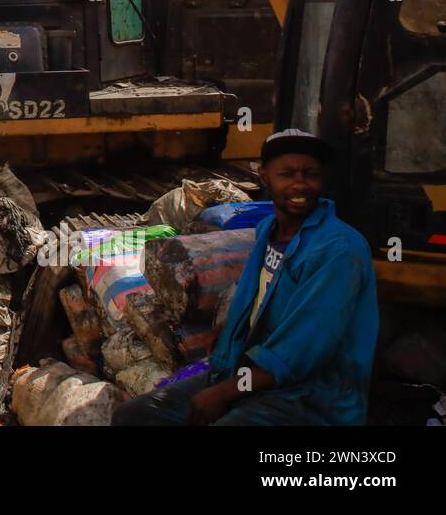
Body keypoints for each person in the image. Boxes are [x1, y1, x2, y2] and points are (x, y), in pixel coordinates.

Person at [112, 129, 378, 426]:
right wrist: (227, 334)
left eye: (310, 174)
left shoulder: (339, 250)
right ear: (264, 175)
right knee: (134, 415)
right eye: (287, 174)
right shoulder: (268, 230)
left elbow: (300, 354)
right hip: (252, 377)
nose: (299, 183)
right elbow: (258, 297)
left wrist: (226, 392)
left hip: (309, 396)